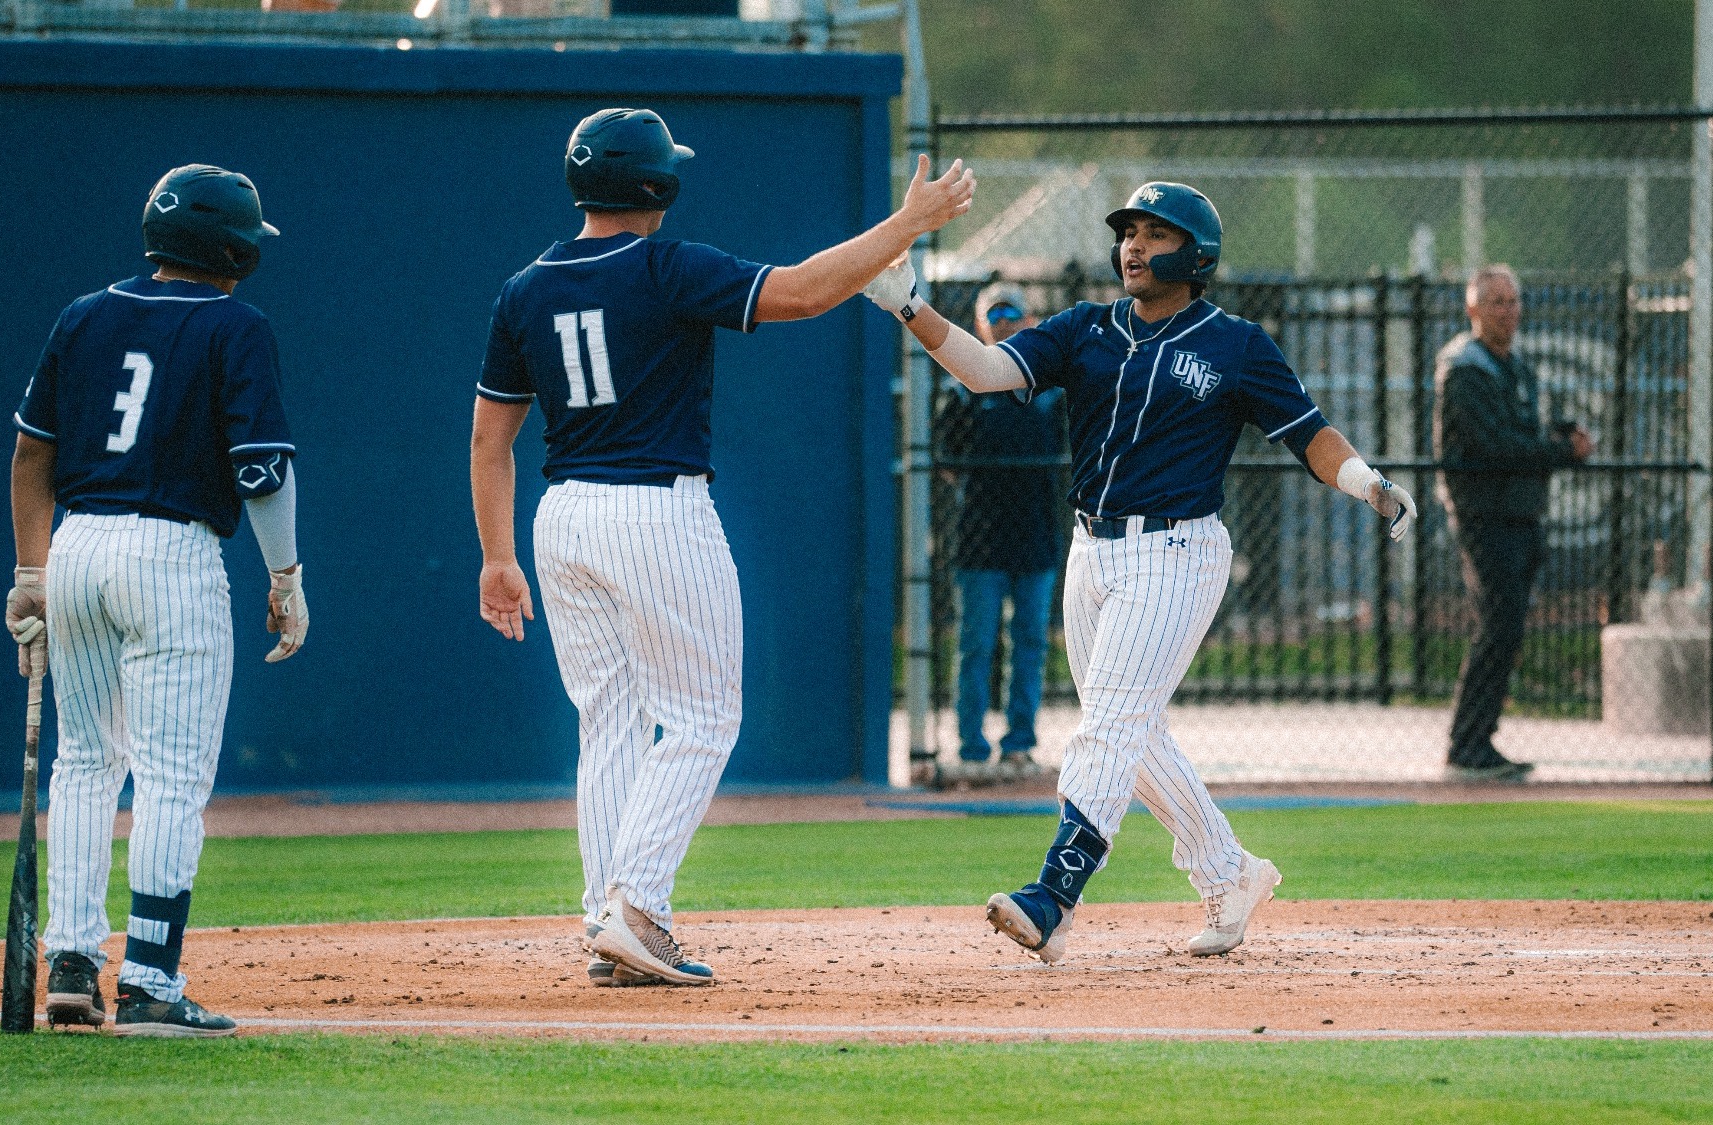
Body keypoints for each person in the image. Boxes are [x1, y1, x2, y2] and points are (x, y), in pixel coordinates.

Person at [470, 109, 973, 986]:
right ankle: (636, 909)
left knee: (610, 721)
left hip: (562, 516)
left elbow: (489, 441)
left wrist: (496, 555)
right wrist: (906, 224)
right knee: (704, 715)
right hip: (654, 511)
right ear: (657, 185)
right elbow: (810, 290)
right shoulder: (665, 265)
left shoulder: (525, 287)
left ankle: (606, 916)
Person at [863, 182, 1415, 962]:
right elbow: (986, 370)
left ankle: (1054, 895)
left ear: (1196, 255)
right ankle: (1230, 873)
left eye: (1155, 233)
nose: (1133, 244)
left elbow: (1309, 433)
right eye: (1129, 231)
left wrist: (1368, 482)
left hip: (1177, 552)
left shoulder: (1235, 342)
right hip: (1090, 549)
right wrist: (910, 306)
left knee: (1110, 726)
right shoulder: (1084, 328)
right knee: (1135, 733)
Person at [5, 164, 308, 1037]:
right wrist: (285, 578)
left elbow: (31, 455)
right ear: (230, 245)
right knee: (171, 777)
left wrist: (31, 571)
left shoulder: (84, 314)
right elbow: (261, 469)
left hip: (78, 543)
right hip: (171, 553)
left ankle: (70, 962)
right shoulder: (237, 325)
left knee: (85, 761)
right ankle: (148, 980)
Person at [1433, 264, 1593, 782]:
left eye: (1513, 301)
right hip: (1485, 515)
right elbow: (1496, 447)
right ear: (1473, 310)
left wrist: (1559, 440)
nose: (1509, 312)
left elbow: (1524, 434)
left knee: (1507, 627)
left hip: (1521, 512)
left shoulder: (1514, 367)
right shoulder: (1465, 369)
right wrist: (1560, 453)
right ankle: (1467, 743)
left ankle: (1479, 740)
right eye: (1496, 302)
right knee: (1496, 624)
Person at [944, 282, 1064, 785]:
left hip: (1035, 535)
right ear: (979, 325)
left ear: (1029, 321)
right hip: (980, 542)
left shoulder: (1050, 391)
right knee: (976, 644)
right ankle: (971, 748)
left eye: (1014, 311)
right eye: (994, 313)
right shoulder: (962, 390)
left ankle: (1019, 746)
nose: (1005, 320)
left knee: (1031, 642)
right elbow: (948, 462)